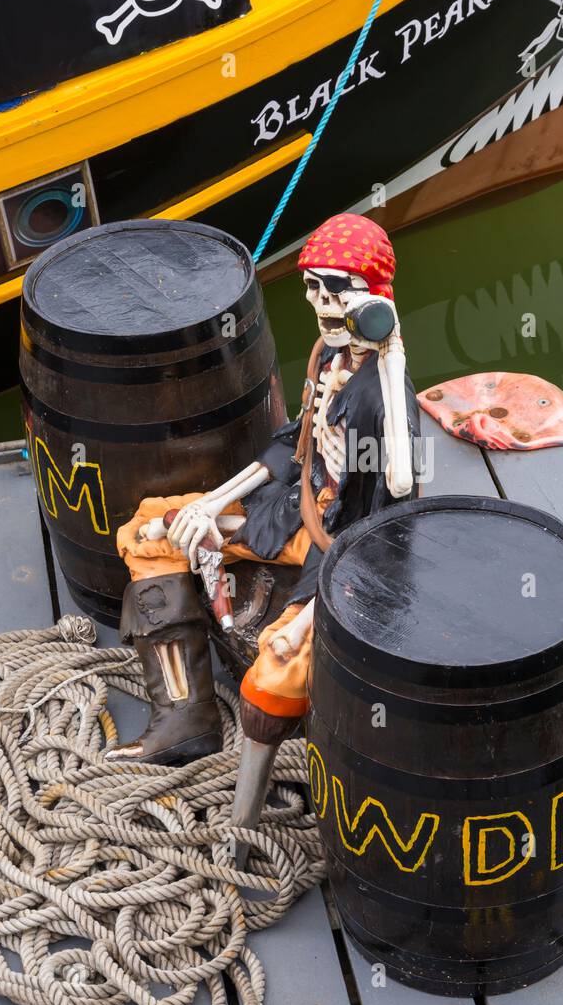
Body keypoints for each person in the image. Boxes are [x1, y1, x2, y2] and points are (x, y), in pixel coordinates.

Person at [110, 214, 419, 765]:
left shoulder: (384, 397)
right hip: (294, 513)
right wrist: (210, 503)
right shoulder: (330, 356)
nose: (323, 304)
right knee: (150, 530)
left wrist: (392, 360)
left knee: (278, 668)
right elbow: (292, 444)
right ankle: (185, 718)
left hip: (345, 548)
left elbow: (394, 495)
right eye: (313, 288)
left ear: (374, 297)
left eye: (339, 291)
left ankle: (246, 818)